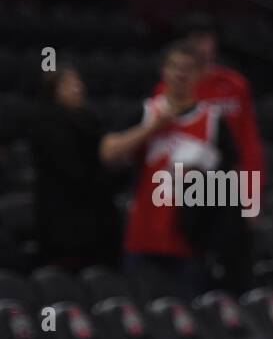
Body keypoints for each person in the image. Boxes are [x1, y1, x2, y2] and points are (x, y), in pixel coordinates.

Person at [101, 41, 239, 300]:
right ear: (163, 71)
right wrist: (151, 129)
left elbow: (233, 180)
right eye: (174, 67)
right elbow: (108, 153)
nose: (180, 74)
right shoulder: (146, 112)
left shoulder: (213, 120)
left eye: (188, 69)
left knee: (188, 327)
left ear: (200, 75)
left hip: (190, 244)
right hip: (143, 240)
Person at [153, 13, 264, 292]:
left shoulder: (235, 84)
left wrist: (251, 198)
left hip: (226, 186)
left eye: (205, 38)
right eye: (193, 39)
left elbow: (248, 145)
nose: (200, 46)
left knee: (236, 271)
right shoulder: (168, 88)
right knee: (190, 272)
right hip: (185, 190)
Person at [25, 67, 121, 270]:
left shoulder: (90, 119)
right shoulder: (46, 123)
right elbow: (73, 170)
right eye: (69, 84)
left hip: (96, 216)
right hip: (64, 219)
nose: (78, 88)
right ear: (53, 90)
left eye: (78, 82)